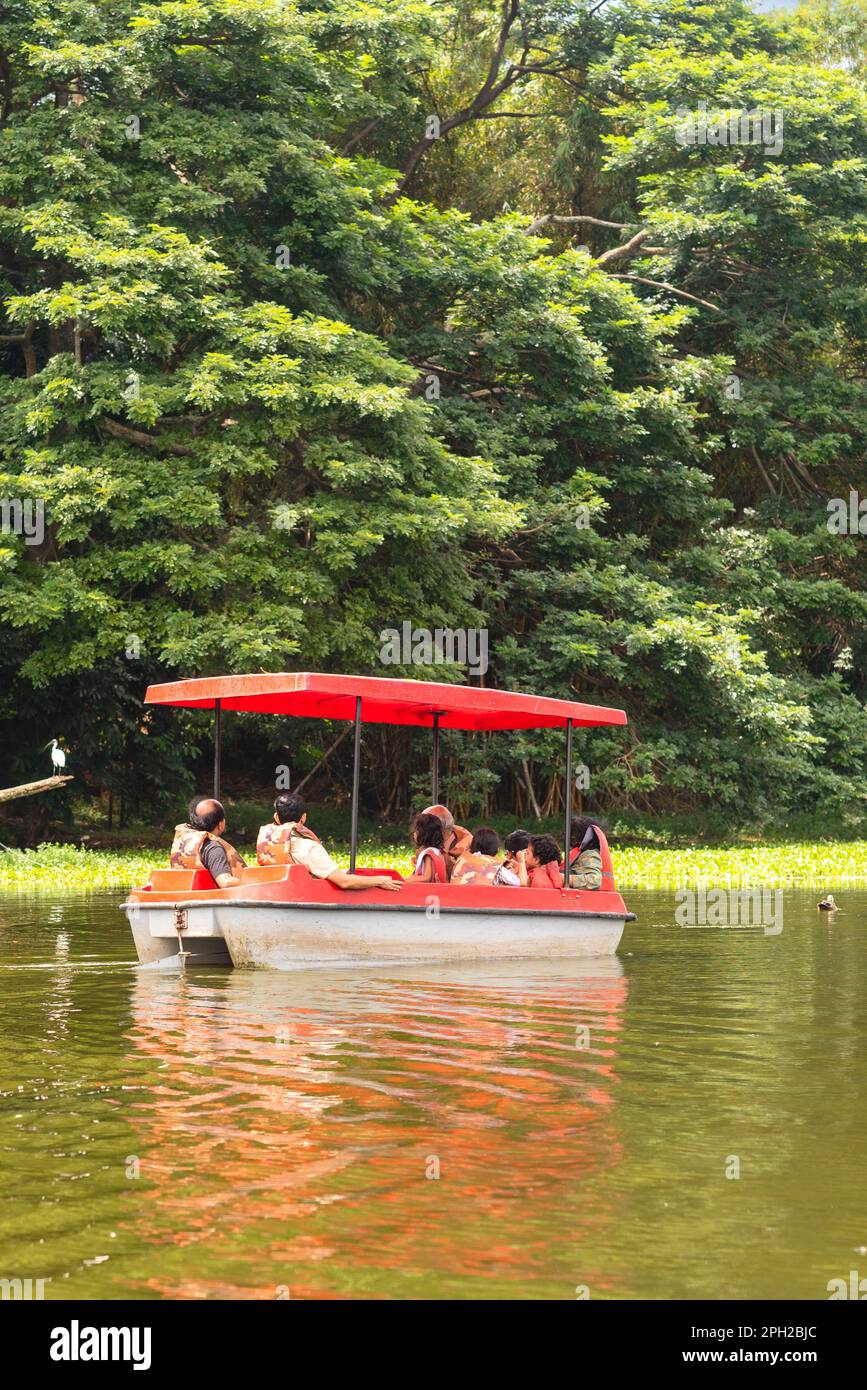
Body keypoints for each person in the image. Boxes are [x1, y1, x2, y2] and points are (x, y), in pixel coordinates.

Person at [256, 792, 401, 892]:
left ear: (276, 817)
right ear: (304, 818)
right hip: (305, 897)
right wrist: (379, 881)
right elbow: (345, 882)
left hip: (279, 892)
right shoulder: (309, 847)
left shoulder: (269, 847)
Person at [171, 798, 245, 889]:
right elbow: (225, 883)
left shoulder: (185, 843)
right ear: (221, 824)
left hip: (184, 897)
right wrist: (255, 880)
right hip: (208, 900)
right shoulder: (213, 848)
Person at [452, 827, 519, 886]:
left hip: (455, 898)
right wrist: (520, 864)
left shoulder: (460, 860)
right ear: (496, 850)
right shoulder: (495, 866)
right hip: (482, 899)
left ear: (472, 846)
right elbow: (519, 883)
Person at [422, 804, 472, 879]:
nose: (419, 830)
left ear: (440, 828)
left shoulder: (467, 847)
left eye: (424, 825)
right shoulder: (427, 844)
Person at [407, 812, 448, 883]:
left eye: (416, 830)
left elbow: (427, 877)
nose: (414, 833)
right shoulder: (437, 852)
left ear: (424, 834)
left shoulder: (428, 854)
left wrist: (405, 880)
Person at [568, 815, 603, 890]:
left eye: (575, 834)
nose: (572, 837)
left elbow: (594, 881)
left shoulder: (590, 854)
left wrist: (565, 879)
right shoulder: (577, 854)